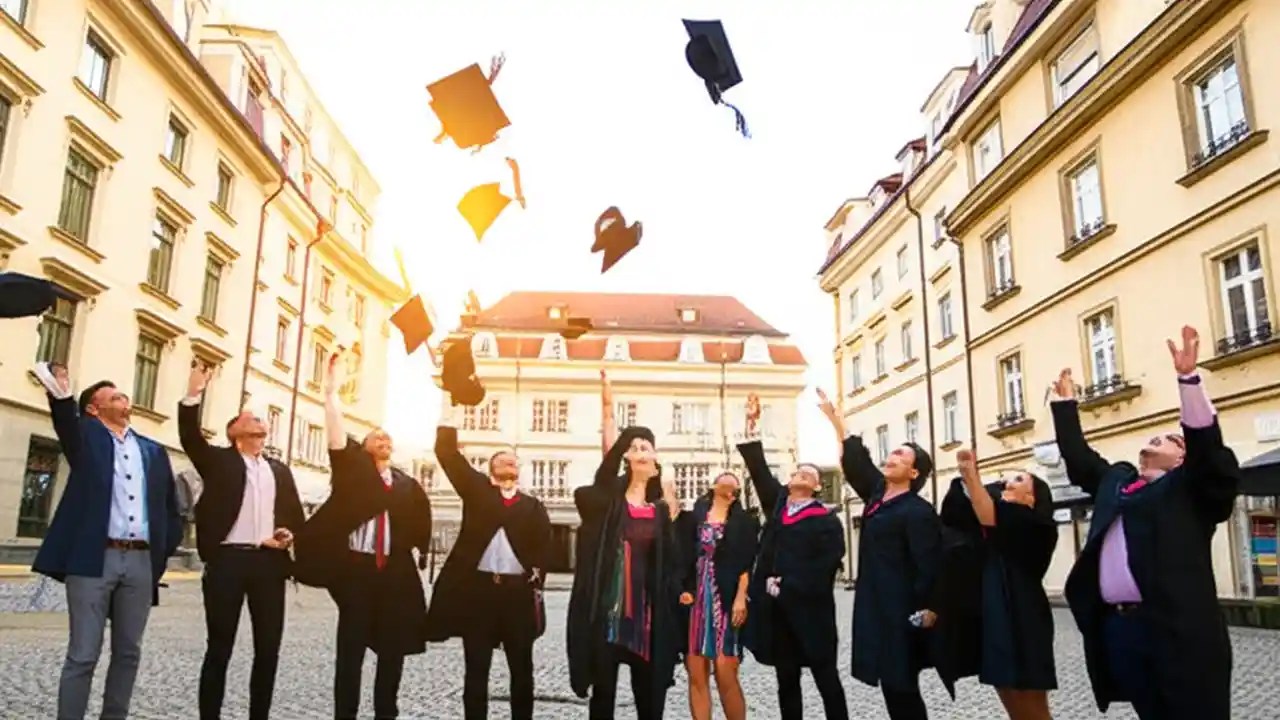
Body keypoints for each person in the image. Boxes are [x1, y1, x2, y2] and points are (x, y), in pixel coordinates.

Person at [1048, 325, 1240, 720]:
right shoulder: (1117, 481)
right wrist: (1066, 407)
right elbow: (1080, 460)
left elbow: (1208, 454)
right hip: (1123, 630)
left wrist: (1189, 382)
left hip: (1179, 629)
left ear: (1183, 457)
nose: (1158, 438)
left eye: (1171, 438)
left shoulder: (1189, 491)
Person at [30, 361, 182, 720]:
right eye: (112, 395)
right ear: (93, 409)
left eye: (122, 393)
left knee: (129, 652)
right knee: (83, 653)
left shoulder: (153, 450)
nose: (123, 395)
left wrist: (159, 557)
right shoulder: (86, 436)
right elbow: (65, 425)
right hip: (93, 559)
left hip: (141, 562)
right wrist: (61, 393)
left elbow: (169, 509)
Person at [293, 354, 432, 720]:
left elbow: (420, 524)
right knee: (351, 649)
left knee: (393, 650)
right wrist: (331, 392)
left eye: (387, 437)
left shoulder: (407, 485)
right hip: (355, 571)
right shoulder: (351, 470)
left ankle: (387, 712)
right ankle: (346, 715)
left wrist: (418, 550)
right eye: (375, 435)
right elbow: (337, 432)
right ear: (364, 446)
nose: (383, 438)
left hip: (393, 575)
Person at [178, 362, 306, 720]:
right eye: (248, 417)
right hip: (228, 562)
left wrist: (288, 533)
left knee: (269, 649)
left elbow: (294, 516)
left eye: (259, 419)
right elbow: (190, 436)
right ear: (235, 432)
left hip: (269, 563)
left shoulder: (279, 470)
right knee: (219, 647)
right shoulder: (218, 461)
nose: (256, 420)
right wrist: (194, 393)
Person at [426, 390, 552, 720]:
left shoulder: (533, 506)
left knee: (522, 670)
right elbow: (446, 453)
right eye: (503, 459)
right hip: (478, 595)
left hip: (517, 596)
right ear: (491, 467)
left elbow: (544, 545)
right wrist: (450, 408)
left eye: (514, 460)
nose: (510, 461)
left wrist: (538, 574)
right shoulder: (477, 491)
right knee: (476, 670)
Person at [568, 371, 682, 720]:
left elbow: (673, 551)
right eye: (634, 449)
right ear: (625, 458)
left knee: (648, 692)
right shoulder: (608, 502)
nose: (640, 451)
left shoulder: (661, 507)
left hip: (648, 610)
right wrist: (608, 403)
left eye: (646, 447)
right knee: (604, 690)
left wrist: (667, 480)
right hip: (610, 607)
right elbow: (608, 457)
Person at [822, 388, 941, 720]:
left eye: (902, 455)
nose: (893, 456)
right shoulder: (878, 496)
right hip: (876, 604)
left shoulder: (917, 511)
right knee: (892, 683)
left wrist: (929, 607)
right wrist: (837, 423)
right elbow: (858, 464)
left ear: (914, 473)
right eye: (893, 452)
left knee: (902, 684)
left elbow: (929, 562)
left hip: (902, 608)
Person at [738, 392, 848, 720]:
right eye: (797, 471)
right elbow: (758, 472)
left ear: (816, 487)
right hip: (779, 614)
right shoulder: (778, 509)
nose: (799, 474)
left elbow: (829, 562)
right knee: (787, 680)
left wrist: (789, 583)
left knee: (826, 679)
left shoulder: (826, 520)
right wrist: (752, 425)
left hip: (812, 611)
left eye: (807, 473)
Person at [942, 450, 1058, 720]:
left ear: (1032, 498)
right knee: (1011, 700)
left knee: (1032, 707)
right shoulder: (999, 522)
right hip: (999, 618)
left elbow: (989, 514)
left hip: (1023, 619)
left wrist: (971, 475)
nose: (1007, 483)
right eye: (1005, 479)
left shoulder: (1036, 524)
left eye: (1018, 479)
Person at [676, 470, 759, 720]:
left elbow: (747, 562)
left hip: (725, 596)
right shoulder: (693, 518)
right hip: (696, 599)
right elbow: (680, 556)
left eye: (734, 484)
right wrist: (682, 589)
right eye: (724, 481)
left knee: (726, 671)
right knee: (696, 671)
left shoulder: (744, 521)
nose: (728, 485)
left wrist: (741, 597)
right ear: (713, 486)